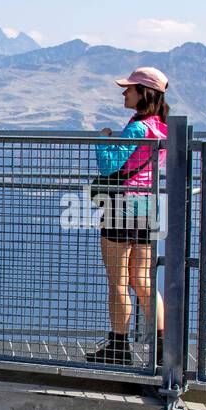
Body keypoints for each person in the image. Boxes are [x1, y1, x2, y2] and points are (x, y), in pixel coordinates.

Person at [85, 66, 169, 367]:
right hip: (147, 207)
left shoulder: (136, 128)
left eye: (129, 88)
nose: (124, 92)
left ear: (143, 94)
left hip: (121, 206)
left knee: (118, 281)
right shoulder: (161, 126)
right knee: (143, 280)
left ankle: (118, 349)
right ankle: (163, 349)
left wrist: (103, 138)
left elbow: (109, 166)